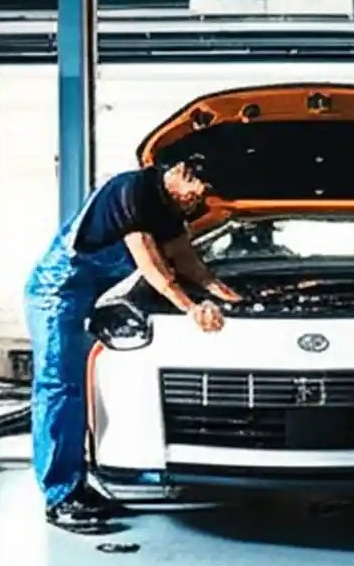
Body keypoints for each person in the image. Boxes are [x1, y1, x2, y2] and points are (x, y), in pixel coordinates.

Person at [23, 161, 242, 527]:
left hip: (90, 293)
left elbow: (187, 261)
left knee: (80, 391)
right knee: (59, 389)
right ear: (183, 173)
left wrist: (222, 292)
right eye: (199, 192)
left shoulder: (169, 209)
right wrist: (191, 307)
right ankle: (60, 498)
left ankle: (79, 487)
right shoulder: (133, 191)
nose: (199, 202)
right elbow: (153, 266)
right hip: (57, 290)